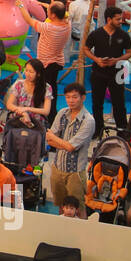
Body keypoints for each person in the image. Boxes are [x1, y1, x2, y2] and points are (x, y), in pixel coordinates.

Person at [82, 5, 131, 136]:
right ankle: (98, 129)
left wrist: (117, 60)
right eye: (118, 19)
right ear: (109, 19)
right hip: (99, 71)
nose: (121, 21)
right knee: (97, 103)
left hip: (120, 71)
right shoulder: (96, 34)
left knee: (119, 103)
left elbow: (129, 53)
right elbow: (86, 49)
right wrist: (96, 59)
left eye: (121, 19)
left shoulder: (124, 35)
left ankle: (122, 131)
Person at [45, 83, 93, 213]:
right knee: (62, 206)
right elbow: (49, 140)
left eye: (74, 97)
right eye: (67, 97)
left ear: (83, 98)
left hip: (75, 172)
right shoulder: (62, 113)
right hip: (57, 167)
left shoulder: (88, 120)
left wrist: (56, 140)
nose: (71, 100)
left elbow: (70, 146)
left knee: (77, 208)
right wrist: (61, 143)